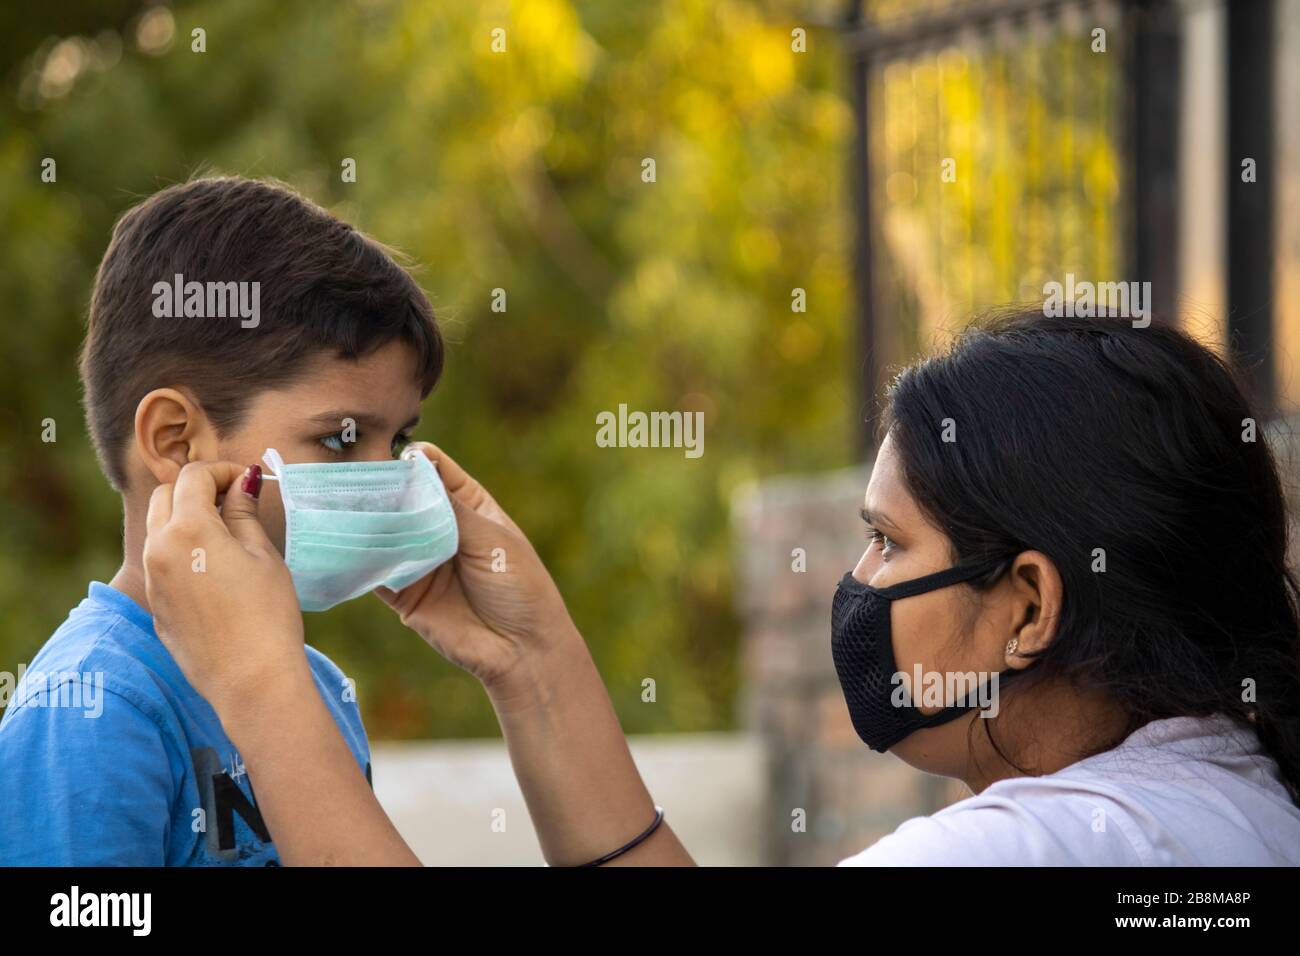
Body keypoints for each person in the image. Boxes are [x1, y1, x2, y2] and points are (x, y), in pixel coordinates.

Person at [141, 311, 1300, 864]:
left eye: (886, 543)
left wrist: (258, 681)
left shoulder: (1034, 849)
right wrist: (531, 662)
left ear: (1030, 606)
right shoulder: (1217, 802)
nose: (855, 583)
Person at [0, 176, 447, 865]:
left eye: (398, 443)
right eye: (340, 439)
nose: (383, 478)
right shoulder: (93, 707)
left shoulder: (317, 688)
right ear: (177, 443)